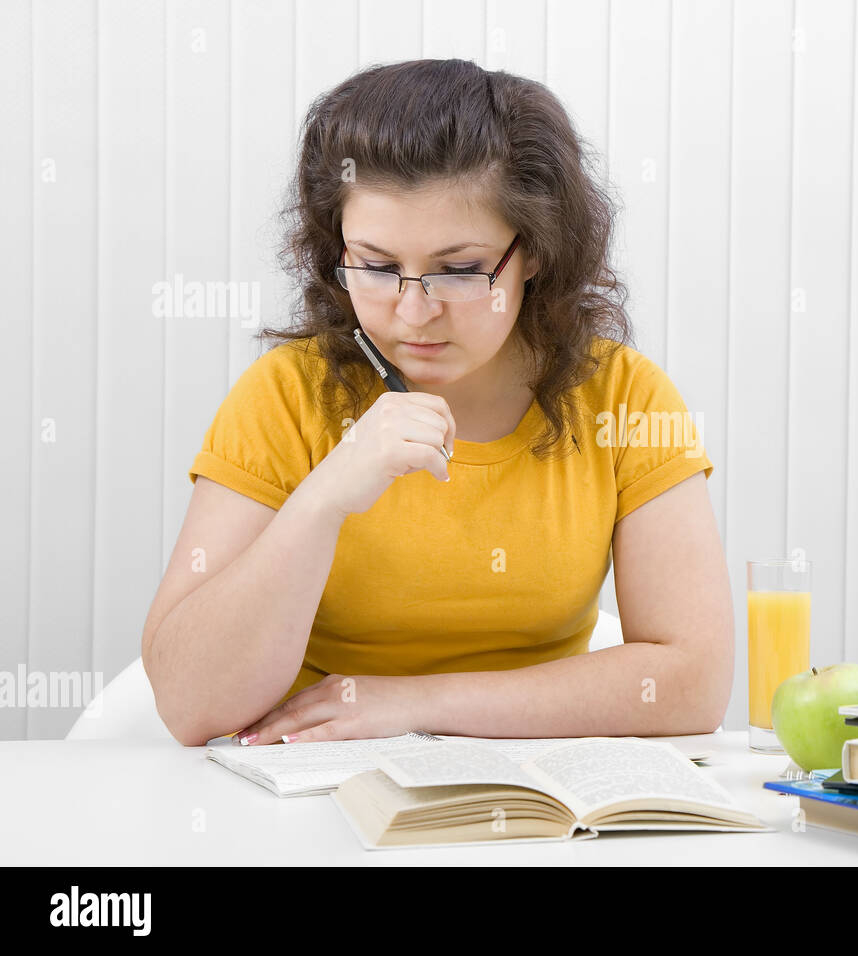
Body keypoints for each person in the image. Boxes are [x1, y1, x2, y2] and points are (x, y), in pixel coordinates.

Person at [141, 59, 732, 748]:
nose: (413, 311)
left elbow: (692, 681)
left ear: (535, 250)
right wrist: (325, 497)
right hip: (309, 794)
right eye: (377, 265)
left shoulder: (624, 398)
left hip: (535, 797)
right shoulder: (286, 395)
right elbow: (188, 703)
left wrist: (408, 704)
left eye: (457, 271)